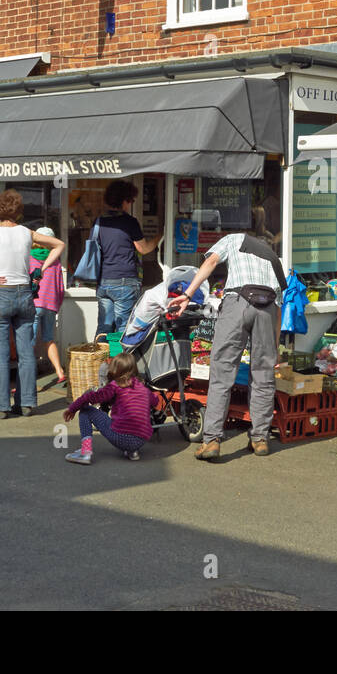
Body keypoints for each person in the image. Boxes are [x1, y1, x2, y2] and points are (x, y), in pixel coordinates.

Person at [168, 230, 285, 461]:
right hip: (268, 309)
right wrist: (276, 344)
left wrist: (188, 294)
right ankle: (260, 439)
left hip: (237, 302)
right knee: (263, 374)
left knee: (222, 373)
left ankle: (211, 440)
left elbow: (211, 260)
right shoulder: (273, 258)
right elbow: (279, 305)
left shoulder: (234, 239)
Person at [0, 190, 64, 419]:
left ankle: (0, 406)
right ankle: (27, 403)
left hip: (1, 294)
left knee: (1, 352)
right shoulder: (27, 233)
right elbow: (59, 244)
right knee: (26, 352)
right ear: (19, 211)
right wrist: (43, 268)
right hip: (25, 294)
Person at [93, 180, 162, 337]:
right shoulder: (129, 222)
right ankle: (121, 361)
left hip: (104, 281)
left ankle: (102, 361)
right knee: (124, 329)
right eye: (131, 200)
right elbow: (143, 249)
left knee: (104, 329)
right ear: (124, 200)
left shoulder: (99, 222)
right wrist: (159, 237)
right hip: (125, 282)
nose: (131, 204)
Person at [61, 352, 156, 464]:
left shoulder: (115, 386)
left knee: (85, 411)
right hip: (141, 439)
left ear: (114, 369)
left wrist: (72, 408)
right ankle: (132, 452)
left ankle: (85, 452)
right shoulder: (143, 389)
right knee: (133, 422)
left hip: (121, 438)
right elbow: (155, 401)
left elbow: (91, 397)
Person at [30, 226, 67, 389]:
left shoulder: (29, 258)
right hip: (50, 305)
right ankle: (59, 372)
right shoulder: (56, 261)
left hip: (33, 304)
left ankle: (27, 380)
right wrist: (56, 306)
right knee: (48, 339)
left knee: (28, 343)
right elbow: (60, 288)